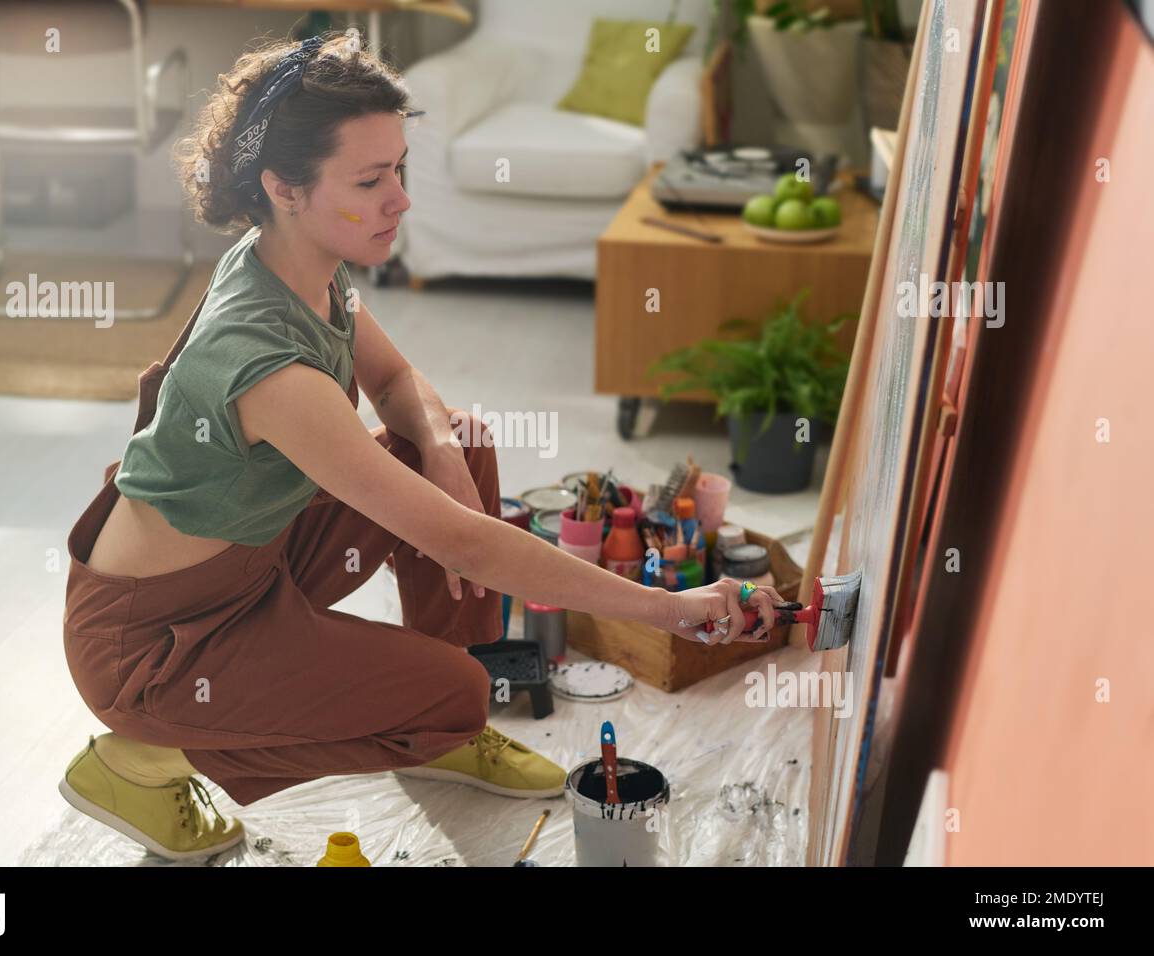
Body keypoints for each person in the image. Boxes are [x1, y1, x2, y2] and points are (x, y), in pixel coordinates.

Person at [60, 29, 782, 862]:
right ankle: (150, 754)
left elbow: (402, 386)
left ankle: (437, 729)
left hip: (245, 567)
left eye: (399, 168)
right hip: (159, 643)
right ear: (283, 186)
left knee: (459, 442)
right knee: (460, 689)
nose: (400, 198)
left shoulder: (301, 263)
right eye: (370, 180)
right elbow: (463, 542)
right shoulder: (270, 368)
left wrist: (440, 453)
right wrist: (674, 610)